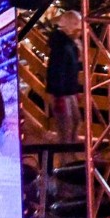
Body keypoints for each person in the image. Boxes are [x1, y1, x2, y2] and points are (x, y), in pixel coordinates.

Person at [46, 10, 84, 145]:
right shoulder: (61, 46)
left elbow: (72, 70)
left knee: (76, 120)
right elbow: (56, 71)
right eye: (77, 26)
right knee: (65, 125)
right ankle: (64, 155)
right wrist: (59, 96)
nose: (79, 30)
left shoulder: (71, 44)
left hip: (69, 91)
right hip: (60, 93)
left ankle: (71, 147)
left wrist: (75, 90)